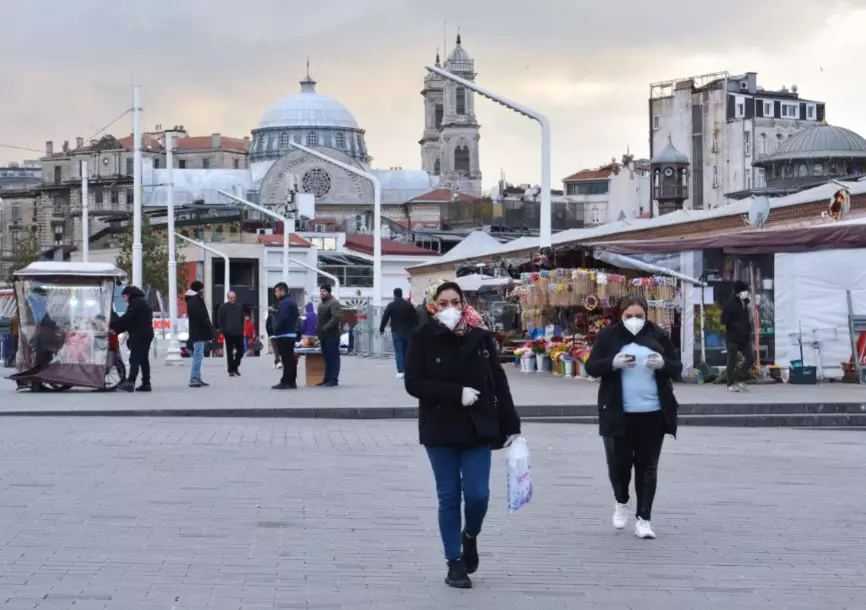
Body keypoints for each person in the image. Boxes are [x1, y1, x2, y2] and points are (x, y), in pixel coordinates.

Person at [405, 281, 521, 589]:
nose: (449, 309)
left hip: (477, 426)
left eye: (454, 301)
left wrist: (512, 426)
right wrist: (455, 393)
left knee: (478, 495)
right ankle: (454, 562)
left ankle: (469, 535)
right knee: (448, 496)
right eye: (442, 303)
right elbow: (413, 383)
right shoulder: (422, 336)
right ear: (433, 306)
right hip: (439, 427)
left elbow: (499, 382)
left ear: (464, 302)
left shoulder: (480, 337)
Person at [585, 295, 682, 541]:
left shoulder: (658, 334)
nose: (635, 321)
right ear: (621, 315)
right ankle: (621, 500)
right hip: (618, 412)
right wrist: (612, 363)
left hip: (652, 412)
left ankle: (644, 519)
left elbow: (676, 366)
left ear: (647, 315)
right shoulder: (609, 335)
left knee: (648, 467)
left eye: (640, 316)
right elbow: (592, 366)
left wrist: (663, 364)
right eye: (630, 316)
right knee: (619, 466)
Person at [110, 286, 154, 392]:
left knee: (134, 358)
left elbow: (127, 319)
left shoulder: (136, 303)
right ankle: (146, 383)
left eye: (124, 297)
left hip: (140, 335)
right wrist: (117, 330)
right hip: (145, 334)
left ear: (129, 294)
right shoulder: (140, 302)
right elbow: (130, 322)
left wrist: (113, 326)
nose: (124, 300)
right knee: (143, 359)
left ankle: (130, 382)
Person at [721, 280, 754, 392]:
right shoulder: (730, 304)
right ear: (739, 292)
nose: (747, 293)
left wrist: (748, 331)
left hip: (744, 337)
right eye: (745, 291)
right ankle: (730, 384)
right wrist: (736, 326)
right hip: (733, 337)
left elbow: (748, 319)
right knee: (732, 361)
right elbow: (724, 320)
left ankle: (739, 378)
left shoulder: (745, 302)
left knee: (750, 358)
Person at [379, 287, 418, 378]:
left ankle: (400, 371)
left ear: (394, 295)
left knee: (399, 351)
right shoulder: (408, 305)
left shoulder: (391, 305)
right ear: (401, 294)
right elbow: (415, 317)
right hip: (408, 331)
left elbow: (385, 317)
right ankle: (408, 370)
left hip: (396, 331)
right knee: (407, 351)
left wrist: (381, 329)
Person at [185, 280, 216, 388]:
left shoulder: (195, 299)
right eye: (202, 288)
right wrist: (207, 326)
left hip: (199, 332)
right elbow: (200, 316)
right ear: (199, 289)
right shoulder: (194, 300)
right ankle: (194, 378)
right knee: (198, 356)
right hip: (198, 332)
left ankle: (197, 377)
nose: (203, 290)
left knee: (199, 355)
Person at [271, 282, 299, 390]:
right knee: (291, 359)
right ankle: (292, 382)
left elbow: (282, 318)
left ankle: (285, 382)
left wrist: (275, 328)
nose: (275, 294)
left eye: (276, 291)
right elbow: (295, 315)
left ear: (282, 291)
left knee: (286, 359)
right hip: (291, 333)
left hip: (284, 334)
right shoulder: (292, 301)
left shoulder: (284, 303)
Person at [316, 284, 342, 387]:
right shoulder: (321, 304)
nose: (322, 293)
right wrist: (317, 329)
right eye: (321, 291)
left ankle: (333, 379)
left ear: (329, 292)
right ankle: (326, 379)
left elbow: (335, 318)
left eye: (324, 291)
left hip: (332, 335)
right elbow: (320, 319)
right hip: (323, 335)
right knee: (326, 358)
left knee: (333, 357)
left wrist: (325, 328)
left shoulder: (334, 303)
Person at [218, 291, 245, 377]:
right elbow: (220, 320)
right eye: (231, 298)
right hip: (228, 332)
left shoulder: (239, 306)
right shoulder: (223, 307)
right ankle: (231, 370)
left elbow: (242, 318)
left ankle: (235, 366)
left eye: (234, 297)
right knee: (229, 352)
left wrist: (241, 328)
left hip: (239, 332)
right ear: (228, 298)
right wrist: (224, 330)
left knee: (241, 350)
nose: (233, 299)